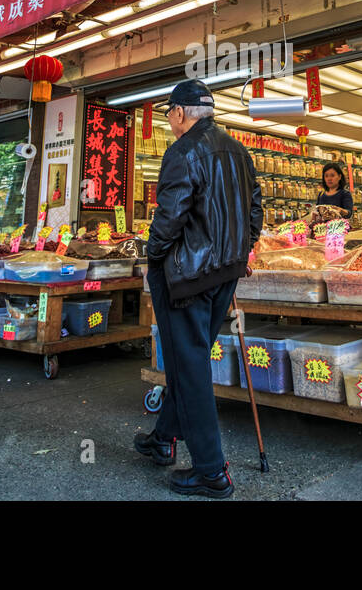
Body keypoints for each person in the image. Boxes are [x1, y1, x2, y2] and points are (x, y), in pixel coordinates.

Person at [135, 80, 261, 499]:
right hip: (225, 272)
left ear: (179, 113)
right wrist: (239, 249)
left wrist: (153, 255)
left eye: (169, 116)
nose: (170, 124)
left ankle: (211, 471)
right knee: (190, 359)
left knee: (189, 366)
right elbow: (255, 209)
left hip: (186, 275)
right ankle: (164, 438)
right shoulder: (238, 151)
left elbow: (169, 217)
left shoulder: (183, 150)